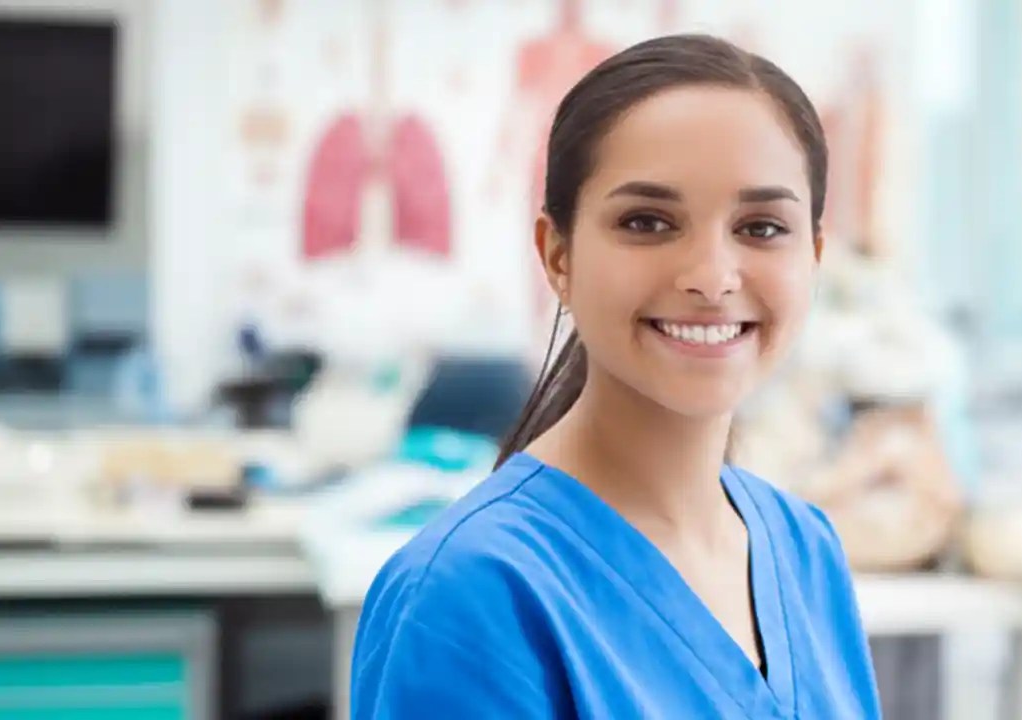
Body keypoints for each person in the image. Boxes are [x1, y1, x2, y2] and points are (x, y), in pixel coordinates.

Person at [351, 33, 882, 719]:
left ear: (812, 255)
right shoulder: (468, 594)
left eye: (760, 228)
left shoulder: (806, 549)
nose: (712, 279)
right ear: (558, 255)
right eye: (648, 222)